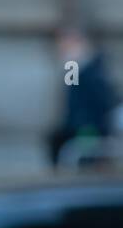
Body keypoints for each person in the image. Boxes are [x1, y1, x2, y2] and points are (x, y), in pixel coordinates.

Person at [49, 26, 119, 167]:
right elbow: (71, 96)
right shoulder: (75, 65)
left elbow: (102, 102)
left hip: (88, 128)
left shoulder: (89, 67)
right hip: (77, 126)